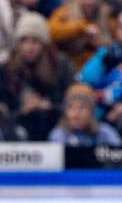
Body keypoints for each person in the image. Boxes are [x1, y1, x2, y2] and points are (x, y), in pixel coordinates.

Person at [5, 12, 74, 141]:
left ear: (44, 43)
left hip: (54, 119)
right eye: (24, 41)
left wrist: (50, 106)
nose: (29, 47)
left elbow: (71, 98)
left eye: (35, 41)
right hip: (19, 122)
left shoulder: (60, 64)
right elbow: (5, 104)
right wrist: (22, 109)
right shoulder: (8, 67)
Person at [47, 0, 113, 70]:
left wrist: (100, 44)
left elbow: (113, 45)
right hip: (69, 68)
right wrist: (82, 27)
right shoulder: (64, 13)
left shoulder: (107, 16)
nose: (90, 1)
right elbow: (51, 32)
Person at [48, 82, 122, 146]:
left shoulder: (105, 132)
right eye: (71, 108)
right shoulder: (58, 135)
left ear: (91, 111)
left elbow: (119, 154)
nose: (76, 114)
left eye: (81, 108)